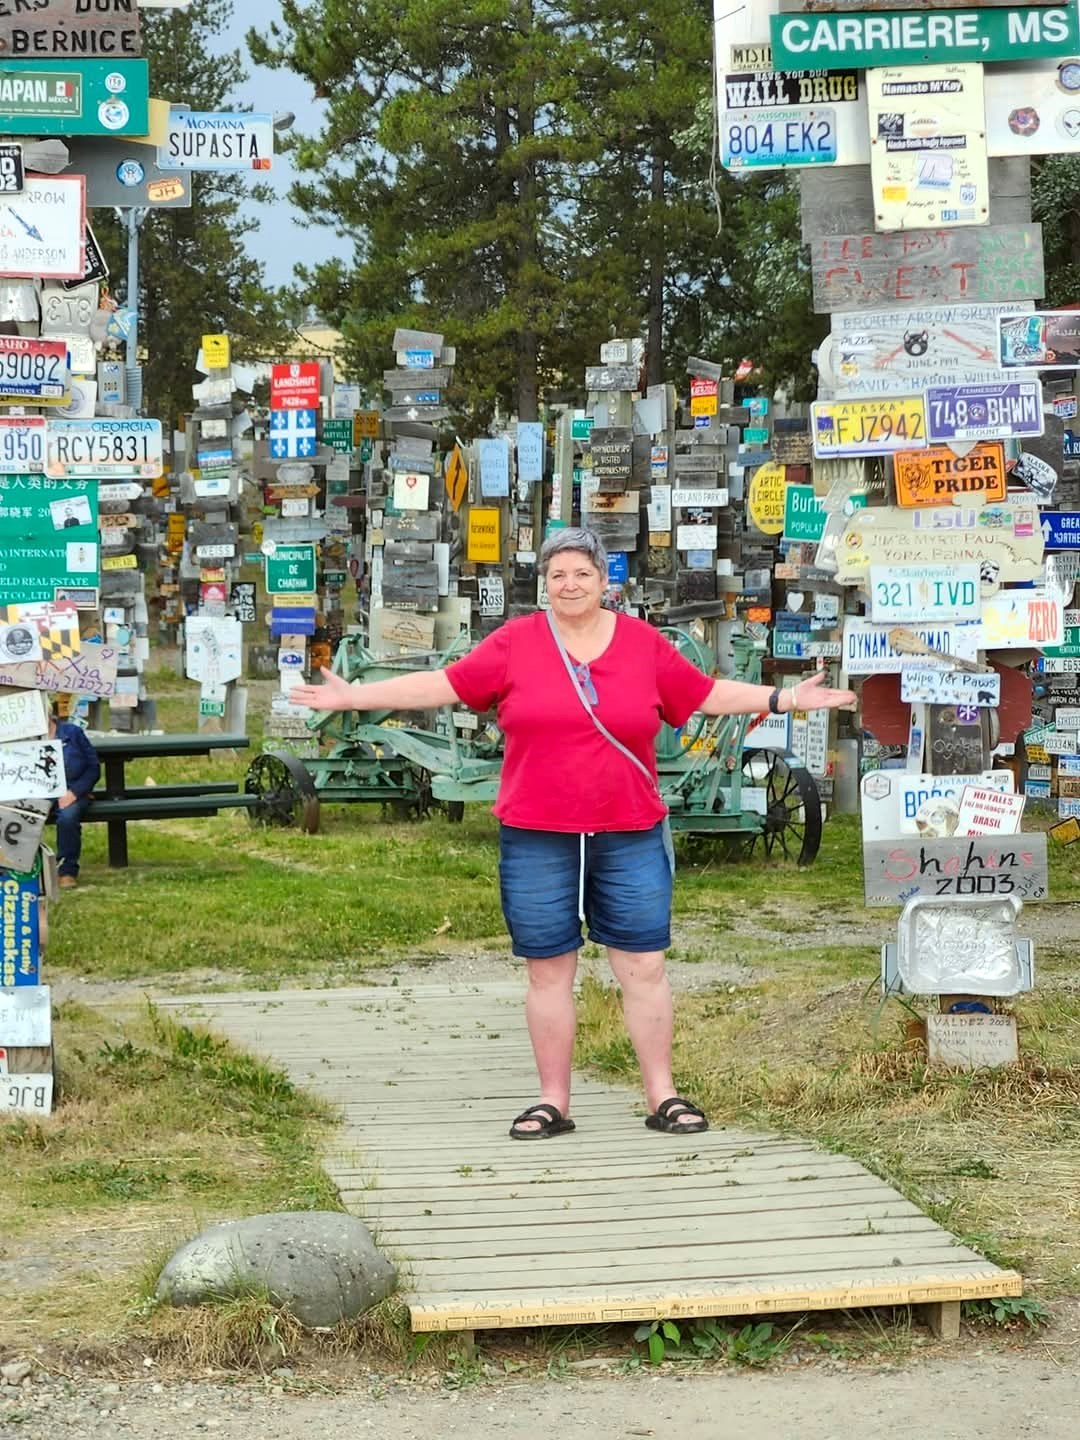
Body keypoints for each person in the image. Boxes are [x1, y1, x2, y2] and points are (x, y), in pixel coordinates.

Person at [291, 528, 855, 1139]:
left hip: (628, 826)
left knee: (642, 965)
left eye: (581, 574)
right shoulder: (515, 643)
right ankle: (552, 1101)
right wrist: (357, 698)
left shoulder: (641, 644)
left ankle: (662, 1094)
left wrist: (783, 697)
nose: (570, 585)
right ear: (545, 586)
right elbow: (446, 685)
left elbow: (705, 694)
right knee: (548, 968)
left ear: (603, 581)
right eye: (557, 575)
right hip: (538, 830)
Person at [47, 707, 100, 890]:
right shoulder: (21, 740)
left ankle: (67, 871)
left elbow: (93, 768)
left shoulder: (73, 732)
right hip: (37, 793)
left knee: (68, 818)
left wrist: (75, 792)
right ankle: (18, 868)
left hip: (72, 792)